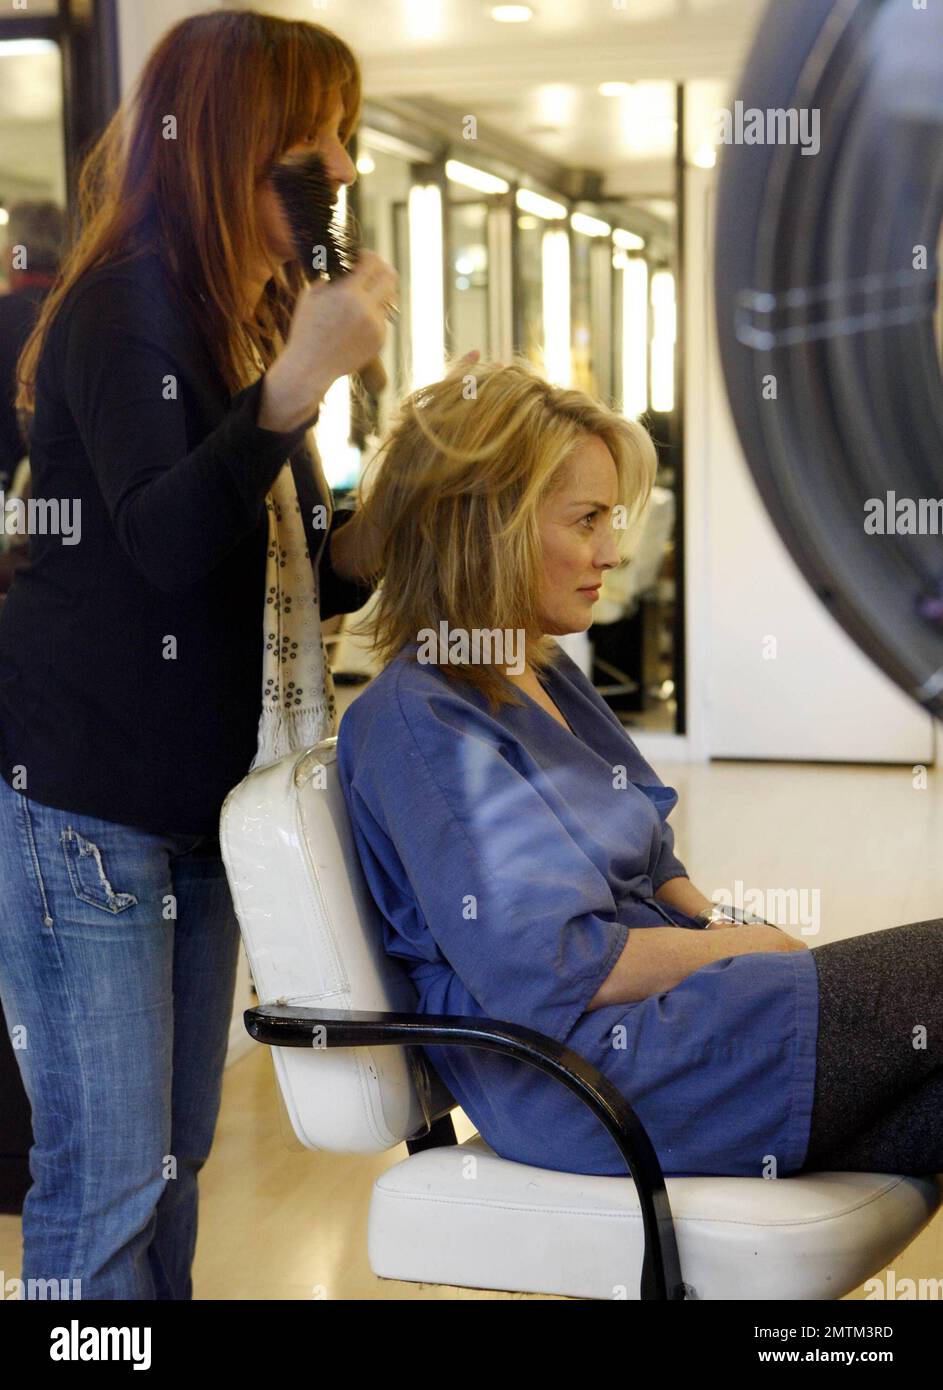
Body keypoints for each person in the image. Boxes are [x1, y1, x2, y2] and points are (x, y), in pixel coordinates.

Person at [0, 10, 397, 1299]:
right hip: (86, 806)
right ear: (235, 146)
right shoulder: (127, 305)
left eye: (346, 136)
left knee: (173, 1155)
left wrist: (391, 509)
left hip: (199, 805)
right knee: (110, 1173)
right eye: (316, 136)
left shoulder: (248, 318)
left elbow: (294, 574)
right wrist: (292, 392)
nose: (342, 166)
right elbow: (166, 540)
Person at [337, 356, 943, 1180]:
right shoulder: (419, 721)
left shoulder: (539, 669)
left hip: (668, 1022)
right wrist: (751, 948)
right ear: (489, 526)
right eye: (585, 521)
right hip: (588, 1076)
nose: (611, 552)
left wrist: (718, 923)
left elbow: (653, 863)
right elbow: (547, 970)